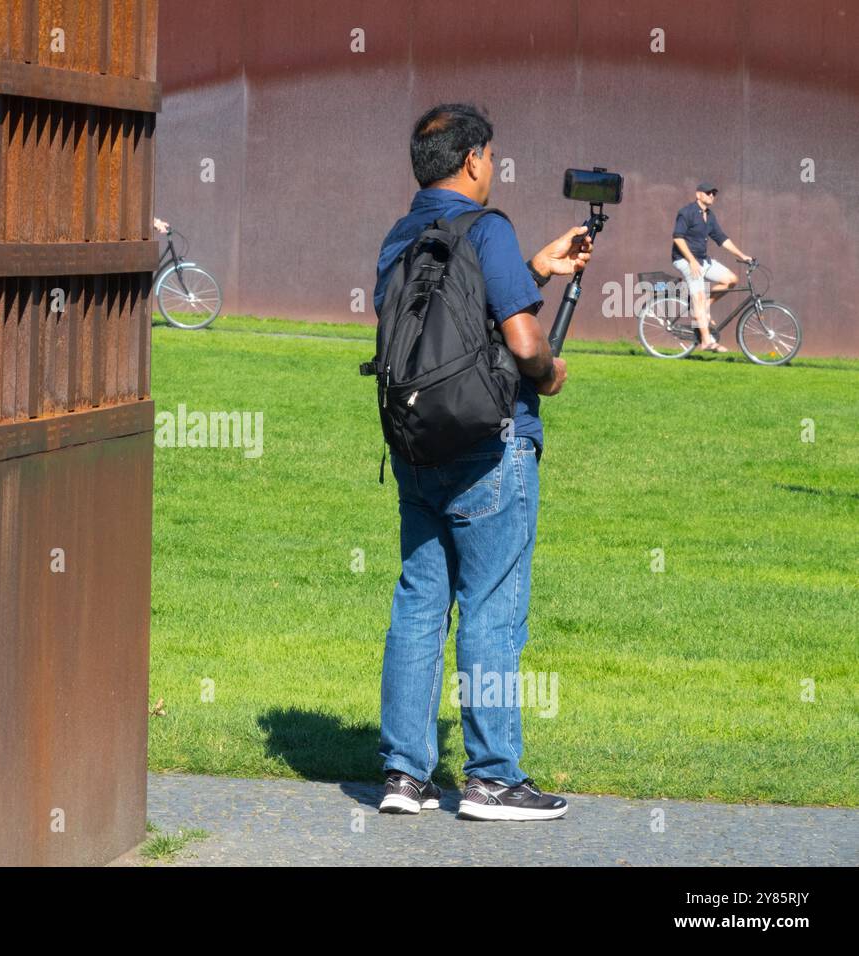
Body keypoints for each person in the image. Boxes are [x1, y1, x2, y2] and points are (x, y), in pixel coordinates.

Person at [372, 103, 591, 821]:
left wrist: (536, 269)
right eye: (490, 158)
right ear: (472, 161)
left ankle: (405, 776)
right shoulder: (488, 228)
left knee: (418, 606)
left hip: (415, 448)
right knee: (493, 611)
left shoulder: (400, 236)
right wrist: (550, 372)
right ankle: (493, 777)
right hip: (491, 448)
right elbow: (524, 344)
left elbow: (444, 321)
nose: (492, 169)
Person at [671, 183, 753, 352]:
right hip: (686, 260)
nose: (711, 196)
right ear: (698, 194)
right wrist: (692, 261)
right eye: (708, 193)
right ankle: (706, 341)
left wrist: (742, 255)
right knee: (698, 299)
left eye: (713, 193)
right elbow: (678, 238)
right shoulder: (686, 212)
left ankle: (704, 306)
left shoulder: (709, 215)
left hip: (702, 260)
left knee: (731, 280)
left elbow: (721, 238)